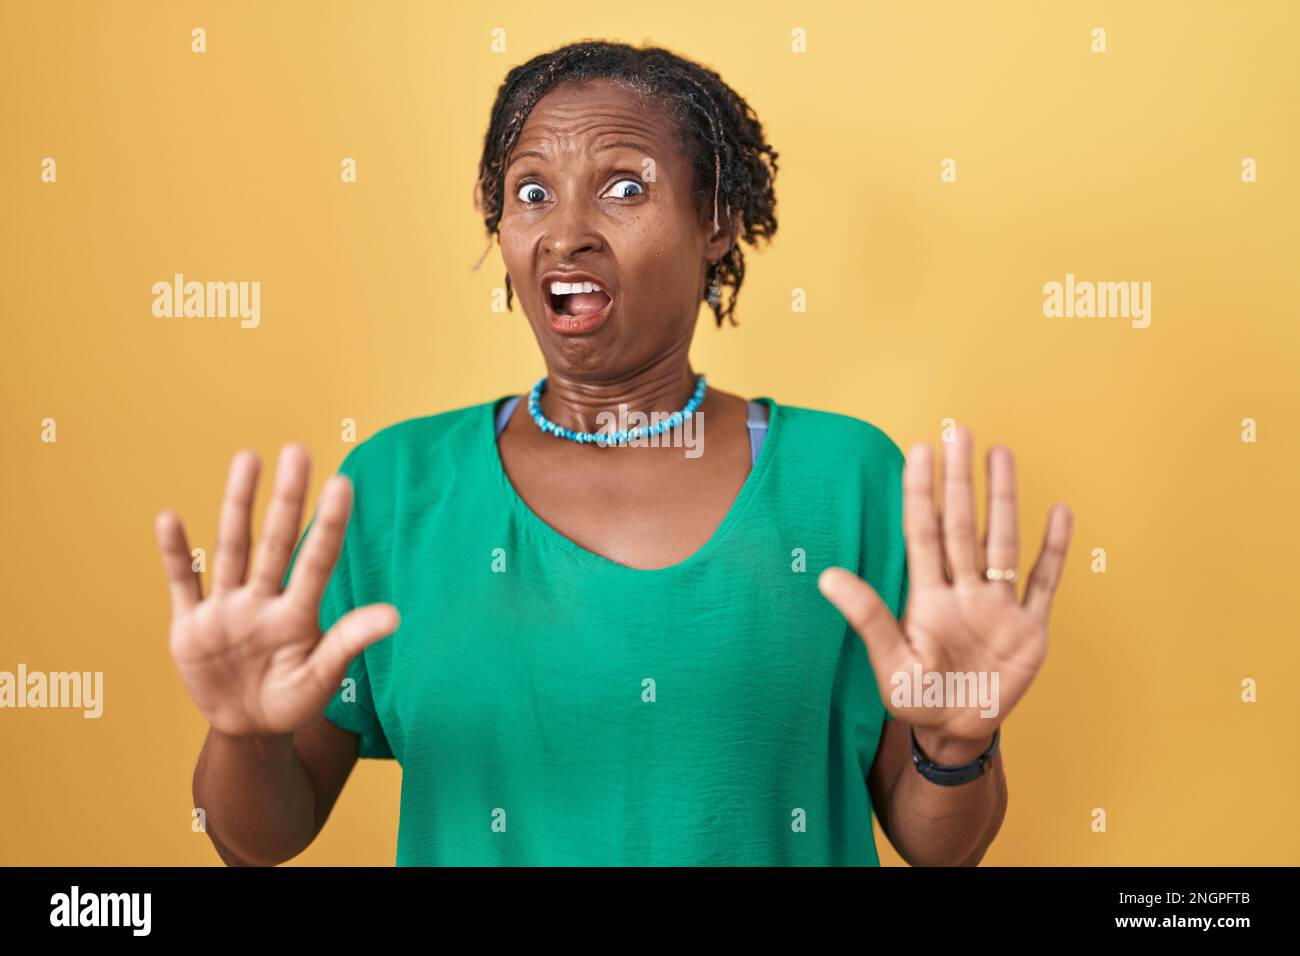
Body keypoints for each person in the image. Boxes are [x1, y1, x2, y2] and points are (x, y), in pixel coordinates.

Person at [155, 40, 1073, 866]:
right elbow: (258, 841)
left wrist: (955, 748)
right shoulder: (395, 491)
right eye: (531, 193)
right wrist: (242, 736)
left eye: (626, 188)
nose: (567, 231)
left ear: (715, 220)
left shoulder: (848, 480)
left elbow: (934, 845)